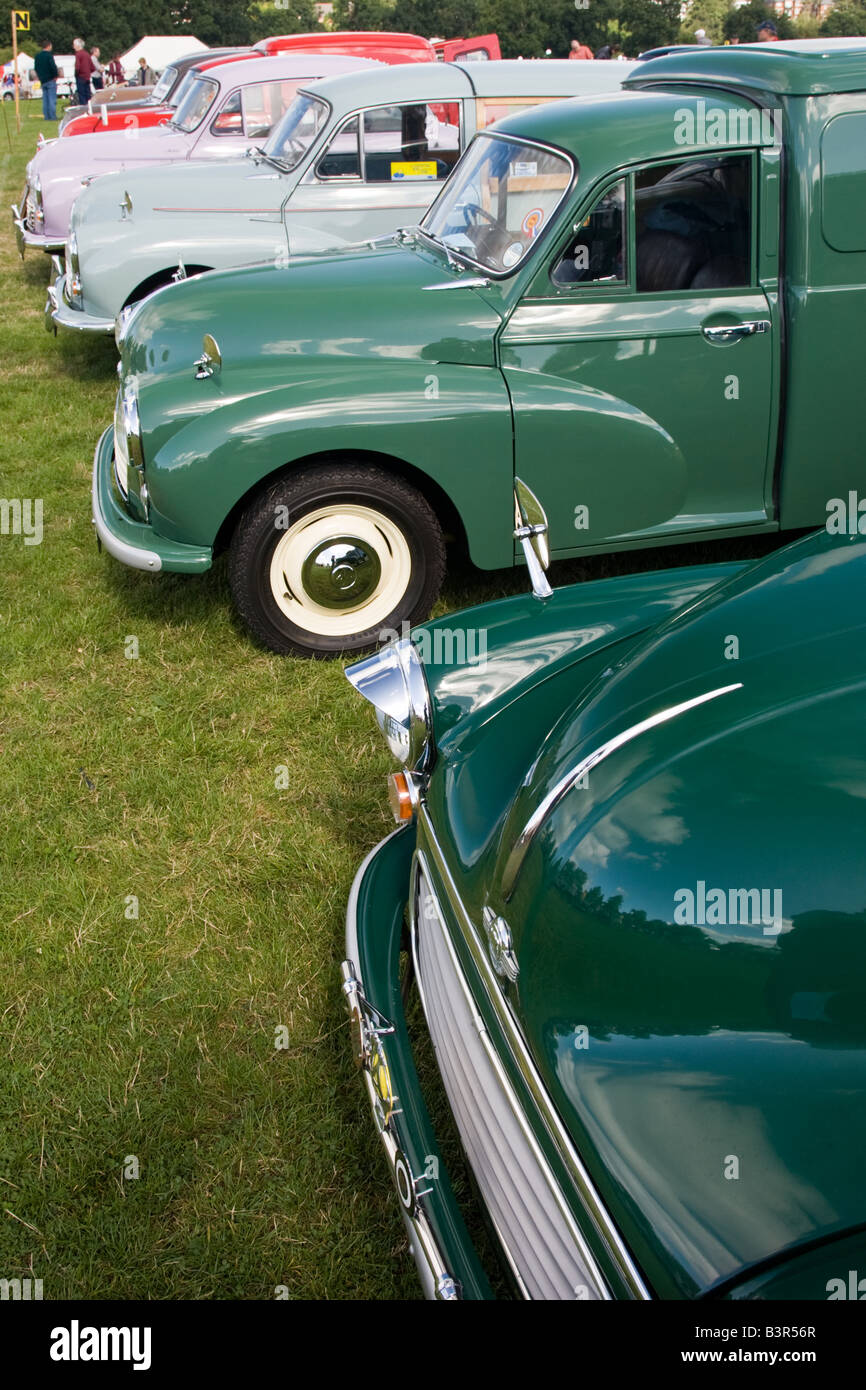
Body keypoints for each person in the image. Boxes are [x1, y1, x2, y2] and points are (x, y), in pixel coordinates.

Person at [34, 39, 58, 121]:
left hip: (43, 80)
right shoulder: (49, 55)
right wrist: (55, 75)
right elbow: (53, 67)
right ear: (48, 46)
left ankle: (46, 116)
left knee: (45, 99)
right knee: (52, 99)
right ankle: (52, 116)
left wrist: (40, 76)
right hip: (50, 79)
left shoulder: (37, 56)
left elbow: (36, 68)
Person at [73, 37, 93, 105]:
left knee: (82, 95)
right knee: (88, 95)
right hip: (87, 77)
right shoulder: (87, 54)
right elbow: (92, 67)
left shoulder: (78, 54)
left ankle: (84, 110)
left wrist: (75, 74)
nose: (73, 47)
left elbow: (77, 67)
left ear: (78, 46)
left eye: (74, 45)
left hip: (80, 77)